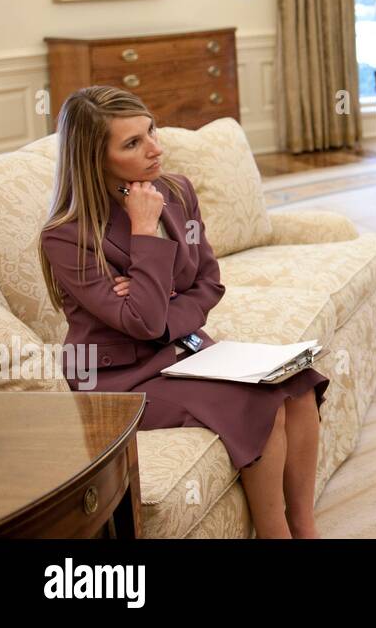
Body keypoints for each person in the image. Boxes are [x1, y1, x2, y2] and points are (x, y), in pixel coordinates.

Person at [38, 85, 329, 539]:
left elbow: (208, 283)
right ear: (94, 158)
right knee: (263, 404)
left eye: (151, 131)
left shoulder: (176, 191)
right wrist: (143, 233)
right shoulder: (66, 237)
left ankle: (305, 529)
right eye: (132, 143)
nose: (155, 148)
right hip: (116, 379)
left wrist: (156, 301)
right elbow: (143, 321)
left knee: (299, 382)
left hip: (183, 351)